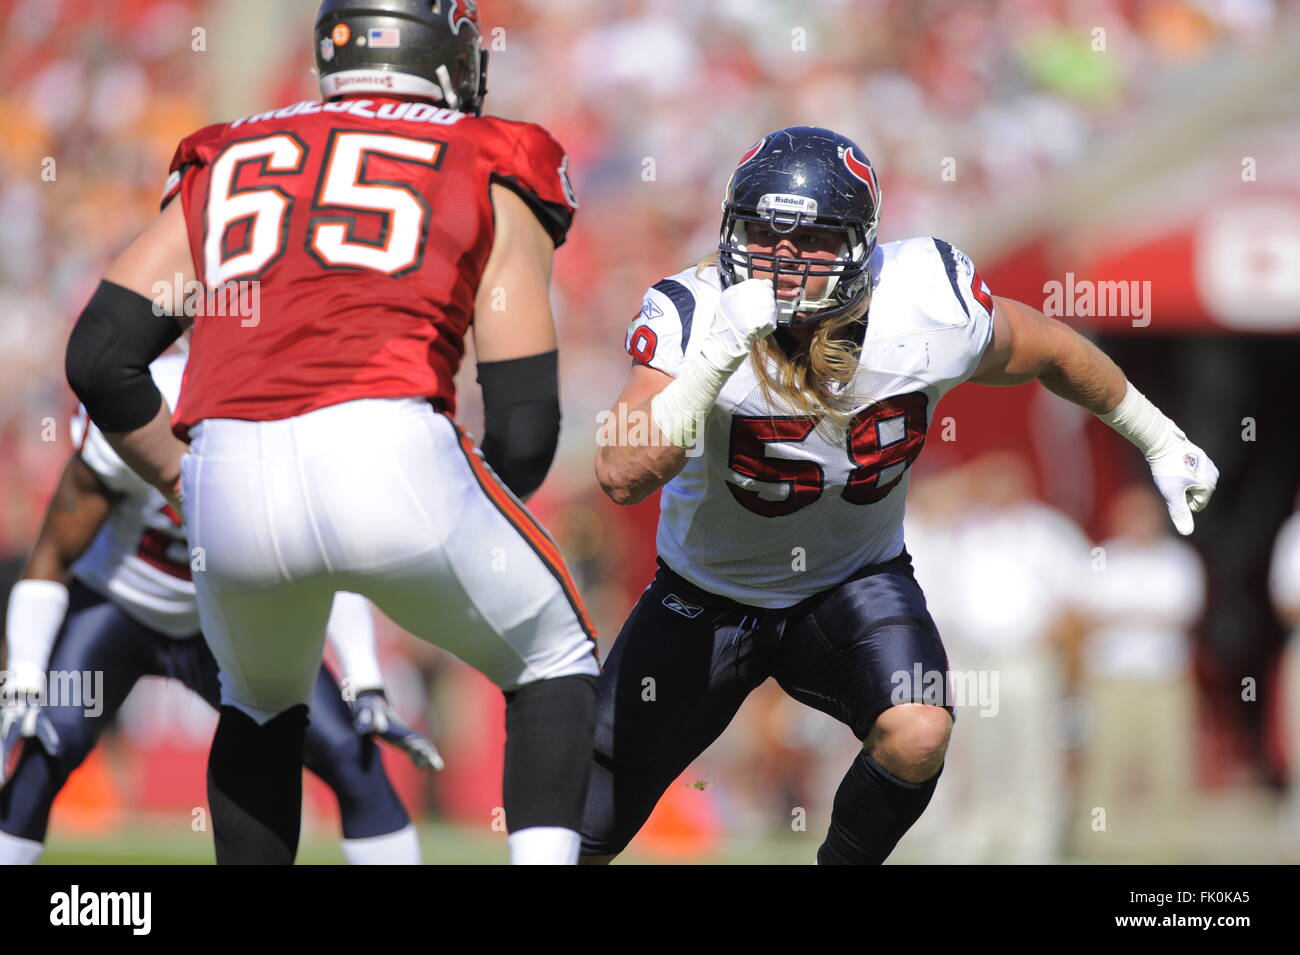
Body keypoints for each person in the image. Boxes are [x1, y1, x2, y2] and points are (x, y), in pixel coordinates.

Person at [583, 125, 1219, 864]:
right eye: (761, 232)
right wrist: (718, 354)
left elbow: (1048, 345)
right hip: (705, 591)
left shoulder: (926, 302)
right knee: (581, 830)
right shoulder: (694, 311)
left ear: (857, 246)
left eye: (809, 239)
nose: (779, 259)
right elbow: (622, 473)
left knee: (918, 727)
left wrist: (1157, 434)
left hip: (851, 579)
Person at [63, 0, 598, 865]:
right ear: (446, 55)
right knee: (555, 660)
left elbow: (98, 357)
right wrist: (456, 538)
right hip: (391, 448)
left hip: (228, 474)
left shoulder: (228, 150)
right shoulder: (495, 152)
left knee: (260, 704)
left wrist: (180, 479)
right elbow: (527, 426)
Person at [0, 353, 440, 865]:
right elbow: (54, 551)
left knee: (351, 755)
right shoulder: (134, 414)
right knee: (44, 748)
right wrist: (25, 679)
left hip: (226, 619)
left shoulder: (286, 425)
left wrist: (364, 679)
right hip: (118, 605)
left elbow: (323, 560)